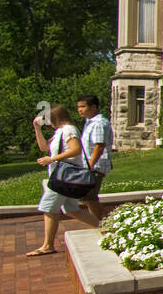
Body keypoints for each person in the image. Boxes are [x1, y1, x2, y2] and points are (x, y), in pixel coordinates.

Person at [27, 105, 100, 256]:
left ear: (57, 117)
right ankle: (106, 228)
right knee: (72, 210)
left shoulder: (69, 130)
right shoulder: (60, 131)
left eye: (49, 119)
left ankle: (48, 245)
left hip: (63, 178)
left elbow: (76, 149)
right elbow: (43, 147)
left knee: (48, 208)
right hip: (60, 177)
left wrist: (51, 159)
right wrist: (37, 129)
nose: (48, 123)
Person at [76, 94, 112, 221]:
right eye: (78, 107)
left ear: (94, 107)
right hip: (90, 166)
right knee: (88, 199)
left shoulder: (98, 123)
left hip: (96, 167)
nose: (80, 110)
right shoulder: (89, 123)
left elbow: (99, 146)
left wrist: (90, 165)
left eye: (83, 106)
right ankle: (103, 223)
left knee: (88, 198)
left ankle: (109, 223)